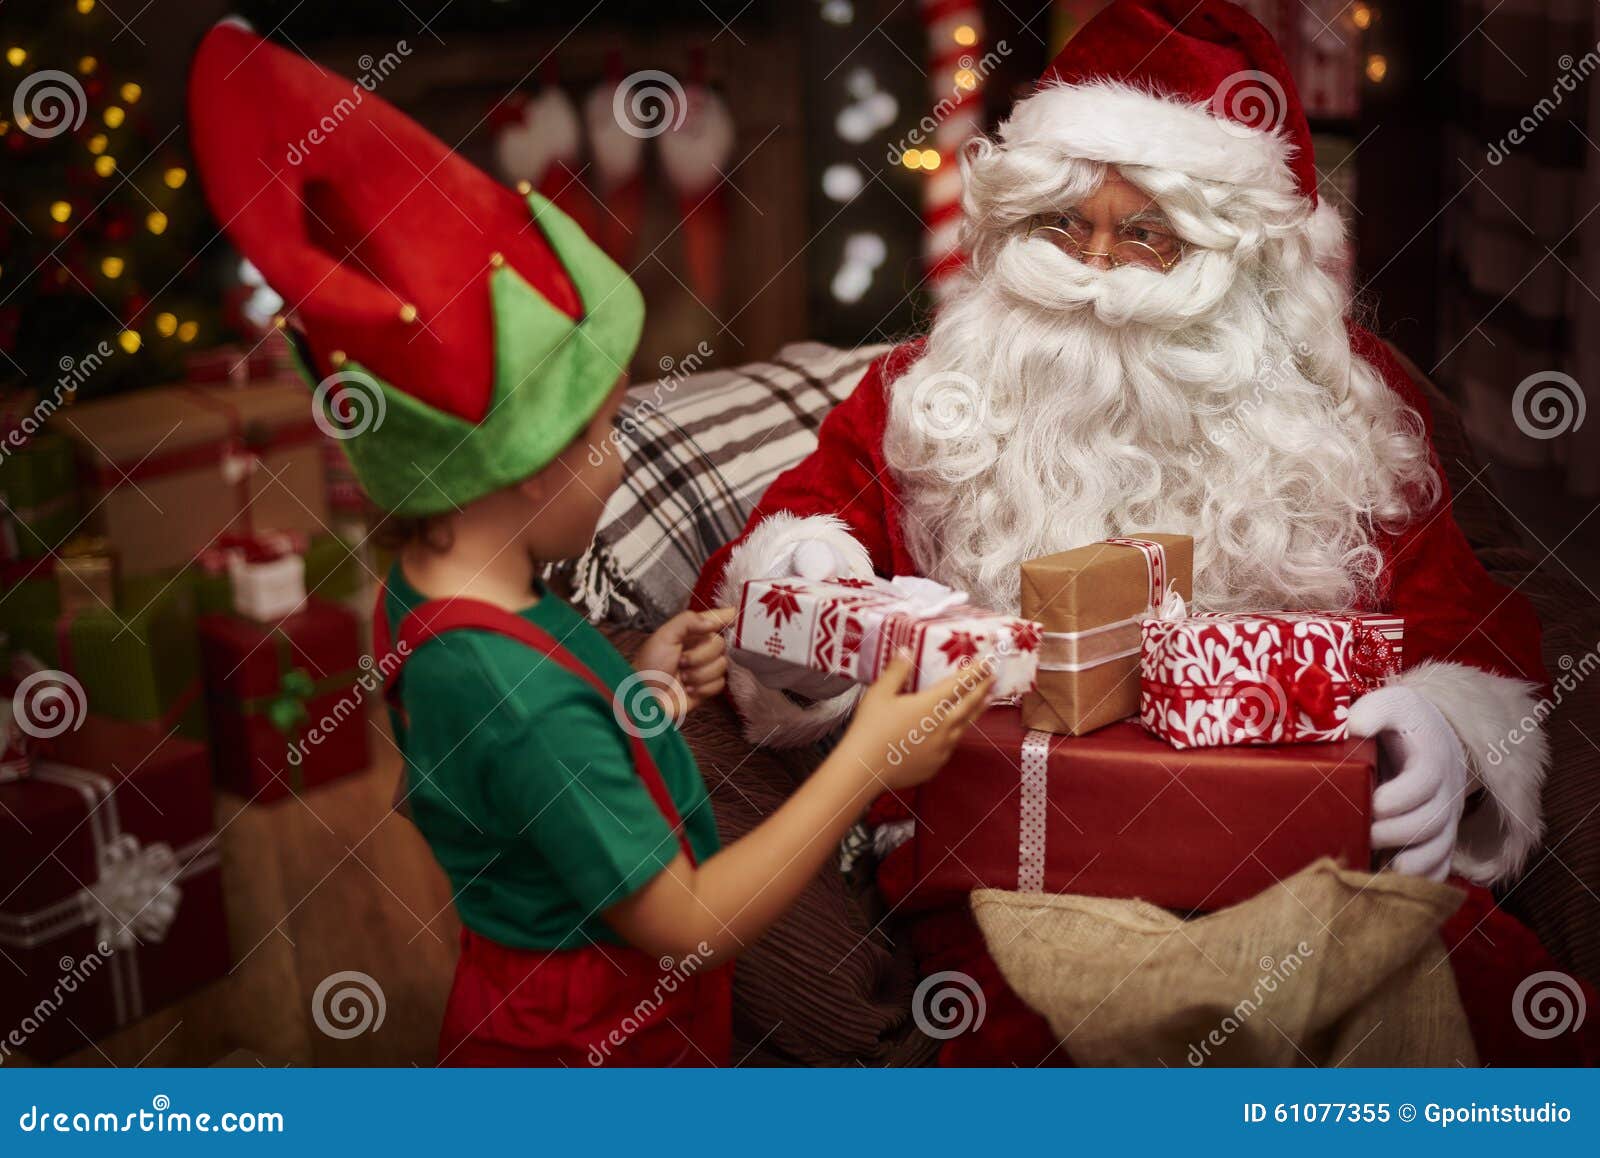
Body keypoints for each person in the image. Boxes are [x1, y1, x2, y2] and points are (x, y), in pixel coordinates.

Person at [694, 0, 1594, 1064]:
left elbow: (1467, 611)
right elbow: (788, 548)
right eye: (1062, 226)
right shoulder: (922, 398)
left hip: (1315, 858)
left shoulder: (1346, 406)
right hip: (1016, 876)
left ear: (1243, 262)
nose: (1097, 274)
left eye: (1147, 235)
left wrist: (1448, 727)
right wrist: (809, 583)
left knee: (1483, 1009)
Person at [188, 19, 992, 1067]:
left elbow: (537, 800)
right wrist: (864, 761)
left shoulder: (439, 598)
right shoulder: (519, 697)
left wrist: (643, 684)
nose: (621, 458)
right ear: (519, 466)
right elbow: (690, 923)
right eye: (602, 432)